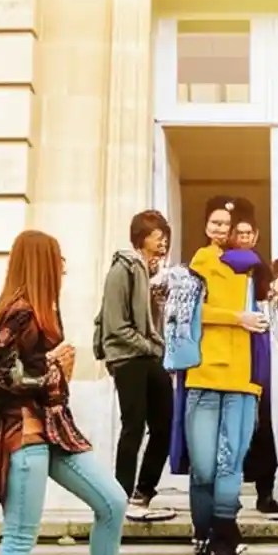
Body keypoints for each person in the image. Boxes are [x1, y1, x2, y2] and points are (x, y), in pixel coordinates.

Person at [0, 230, 157, 555]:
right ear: (41, 263)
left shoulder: (43, 310)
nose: (64, 266)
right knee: (18, 536)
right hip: (24, 437)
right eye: (59, 258)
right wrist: (54, 367)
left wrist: (53, 369)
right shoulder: (20, 312)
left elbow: (17, 368)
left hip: (54, 431)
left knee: (113, 501)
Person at [185, 197, 267, 555]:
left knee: (230, 462)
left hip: (242, 377)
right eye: (216, 223)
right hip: (202, 374)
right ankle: (202, 540)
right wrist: (238, 318)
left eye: (229, 225)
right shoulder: (199, 263)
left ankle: (222, 539)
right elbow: (191, 314)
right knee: (202, 467)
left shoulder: (252, 268)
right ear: (206, 226)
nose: (223, 230)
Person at [99, 210, 176, 522]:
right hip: (128, 358)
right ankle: (121, 495)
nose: (163, 242)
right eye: (158, 236)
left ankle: (143, 493)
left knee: (164, 425)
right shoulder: (123, 268)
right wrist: (153, 346)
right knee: (133, 425)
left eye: (165, 237)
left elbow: (148, 322)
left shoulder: (148, 272)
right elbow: (116, 326)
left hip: (147, 356)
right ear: (143, 237)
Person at [223, 209, 278, 515]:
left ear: (256, 236)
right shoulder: (221, 264)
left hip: (256, 348)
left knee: (262, 420)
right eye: (239, 233)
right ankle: (228, 493)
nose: (244, 238)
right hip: (229, 350)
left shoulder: (262, 270)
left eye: (249, 233)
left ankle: (265, 490)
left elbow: (273, 314)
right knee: (230, 424)